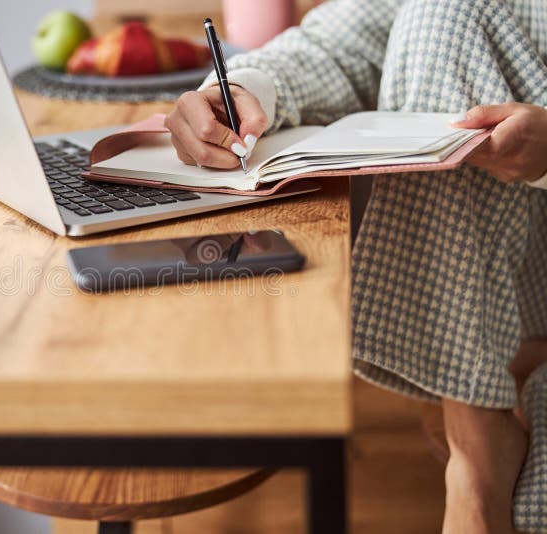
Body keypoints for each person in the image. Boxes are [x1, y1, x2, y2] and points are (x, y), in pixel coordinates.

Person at [164, 1, 547, 532]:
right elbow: (356, 35)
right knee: (443, 14)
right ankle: (476, 439)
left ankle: (480, 439)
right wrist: (240, 93)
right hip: (510, 276)